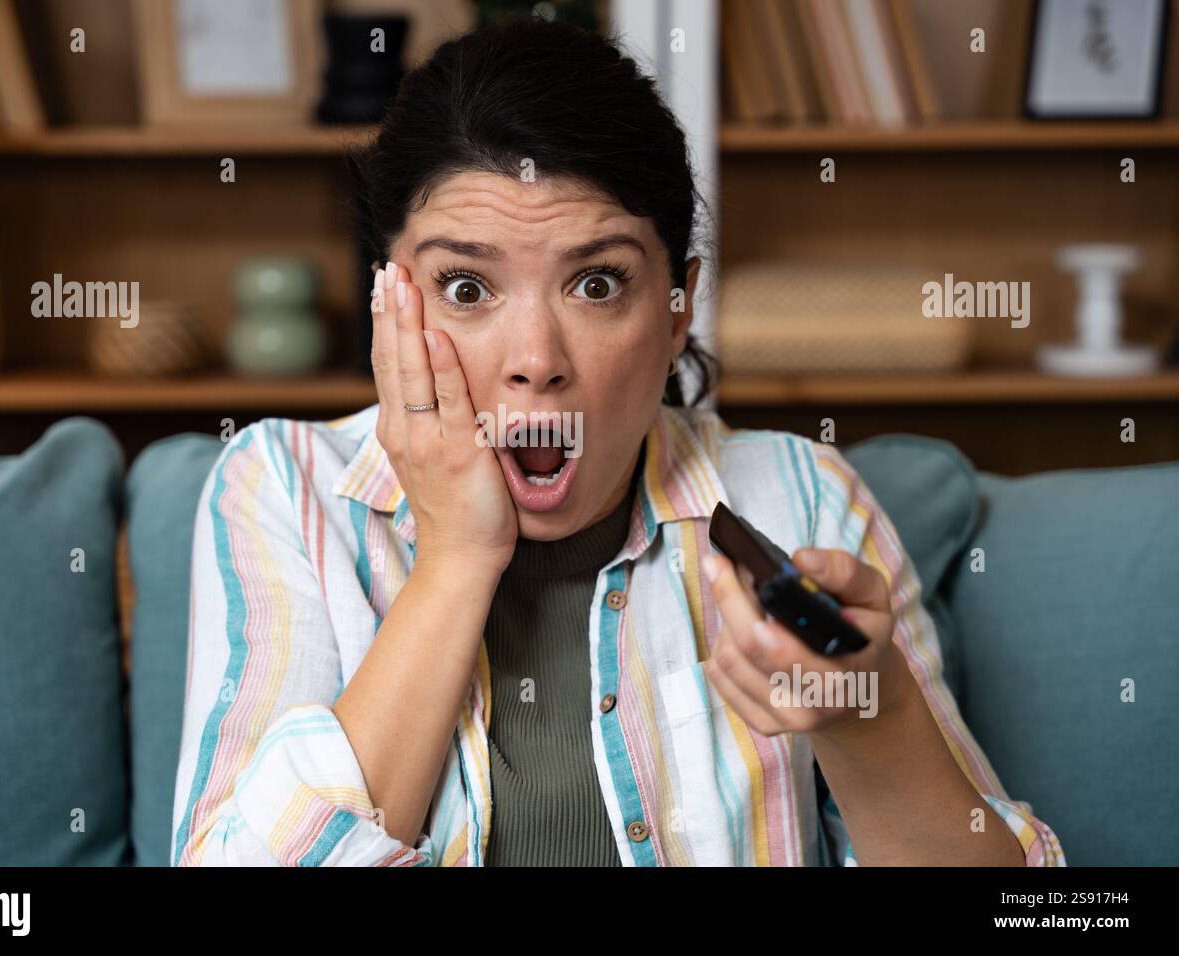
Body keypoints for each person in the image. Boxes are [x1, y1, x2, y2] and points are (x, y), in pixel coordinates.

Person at [171, 16, 1064, 867]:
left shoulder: (804, 497)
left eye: (597, 284)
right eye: (467, 288)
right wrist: (454, 557)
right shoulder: (283, 486)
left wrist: (871, 717)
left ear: (679, 308)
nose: (536, 361)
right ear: (388, 305)